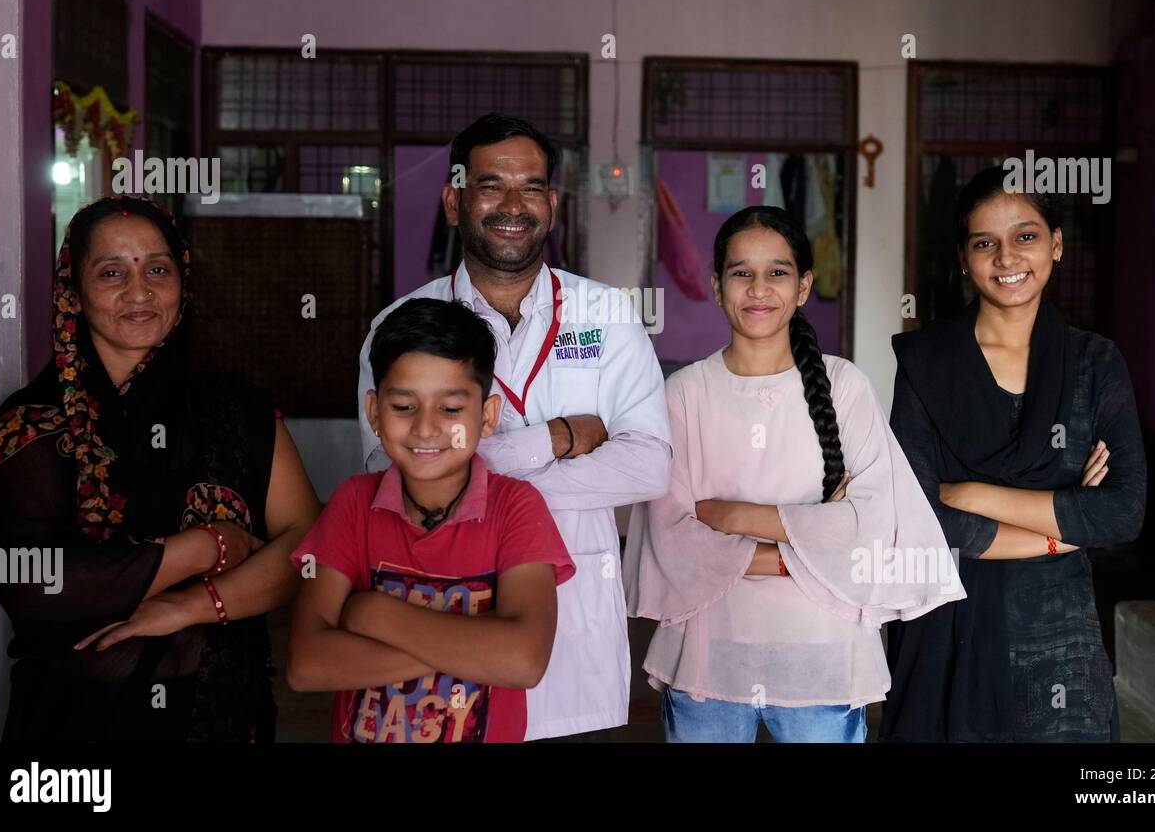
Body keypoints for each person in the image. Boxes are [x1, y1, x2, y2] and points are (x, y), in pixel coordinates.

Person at [356, 113, 671, 740]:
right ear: (454, 199)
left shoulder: (606, 314)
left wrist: (491, 473)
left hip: (573, 635)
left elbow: (648, 465)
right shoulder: (401, 323)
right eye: (490, 184)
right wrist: (558, 438)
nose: (512, 205)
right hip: (439, 621)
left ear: (551, 205)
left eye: (530, 187)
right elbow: (386, 476)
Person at [0, 196, 320, 742]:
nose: (139, 293)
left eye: (157, 269)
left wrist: (189, 607)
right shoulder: (32, 426)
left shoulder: (238, 411)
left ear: (182, 283)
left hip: (221, 715)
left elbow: (310, 548)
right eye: (112, 272)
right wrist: (207, 547)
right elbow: (31, 584)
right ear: (73, 288)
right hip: (75, 730)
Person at [624, 206, 964, 742]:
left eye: (777, 272)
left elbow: (873, 525)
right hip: (710, 656)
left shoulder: (845, 385)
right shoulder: (683, 393)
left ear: (804, 286)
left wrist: (737, 516)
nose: (759, 289)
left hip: (822, 654)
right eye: (741, 273)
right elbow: (672, 536)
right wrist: (811, 542)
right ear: (716, 287)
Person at [880, 166, 1146, 742]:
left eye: (1025, 236)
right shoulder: (927, 362)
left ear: (1054, 243)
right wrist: (1066, 522)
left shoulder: (1095, 365)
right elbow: (919, 519)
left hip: (1058, 633)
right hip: (944, 624)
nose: (1007, 258)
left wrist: (973, 493)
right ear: (963, 256)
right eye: (985, 243)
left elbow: (1123, 512)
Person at [289, 298, 574, 742]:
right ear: (374, 412)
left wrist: (374, 615)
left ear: (487, 416)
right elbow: (307, 664)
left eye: (450, 409)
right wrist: (477, 650)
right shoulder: (353, 503)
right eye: (404, 407)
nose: (426, 428)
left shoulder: (516, 507)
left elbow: (522, 661)